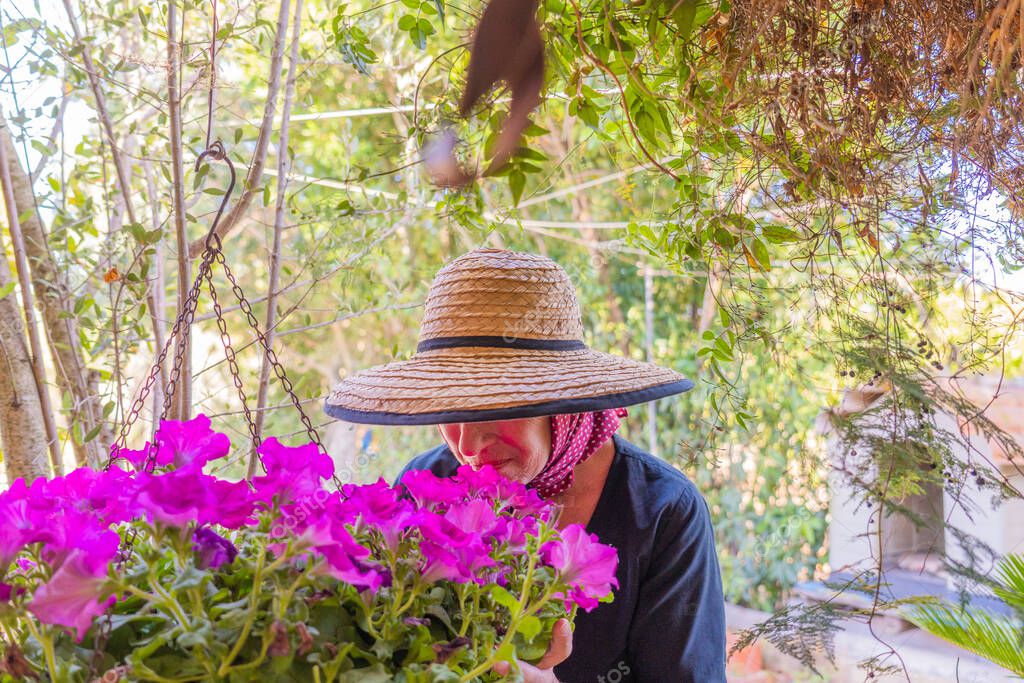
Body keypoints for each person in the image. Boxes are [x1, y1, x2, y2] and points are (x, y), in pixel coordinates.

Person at [324, 247, 727, 682]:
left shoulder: (663, 513)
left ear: (564, 403)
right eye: (447, 411)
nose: (467, 443)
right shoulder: (427, 484)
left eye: (493, 408)